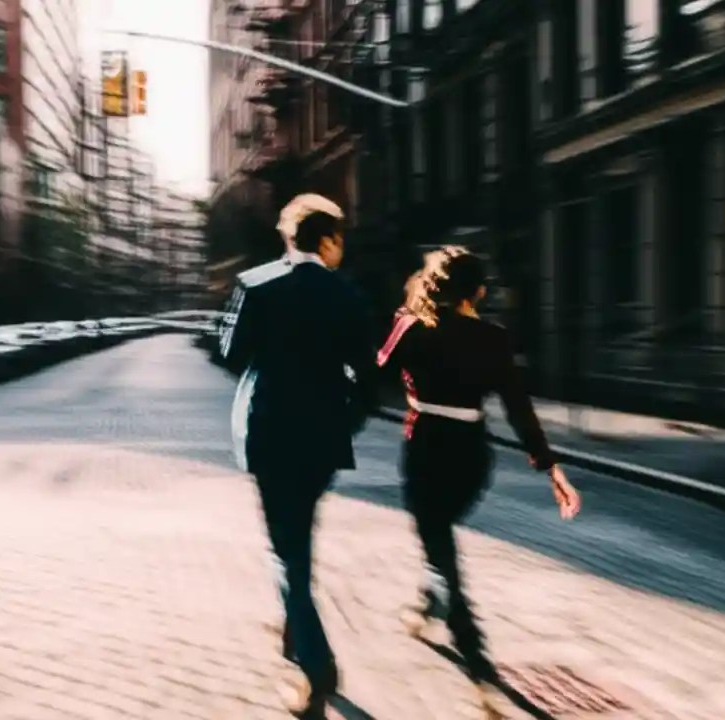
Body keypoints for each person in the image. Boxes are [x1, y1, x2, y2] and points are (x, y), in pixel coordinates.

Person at [376, 245, 581, 714]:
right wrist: (550, 467)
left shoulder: (410, 326)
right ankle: (431, 597)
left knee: (440, 548)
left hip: (425, 451)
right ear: (479, 292)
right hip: (472, 459)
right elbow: (518, 408)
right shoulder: (494, 338)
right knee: (440, 539)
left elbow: (372, 371)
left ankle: (479, 663)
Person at [219, 198, 377, 719]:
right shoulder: (348, 295)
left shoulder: (256, 285)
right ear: (327, 241)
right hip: (322, 442)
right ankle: (296, 628)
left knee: (287, 551)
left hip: (268, 436)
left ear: (289, 240)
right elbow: (371, 381)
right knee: (298, 540)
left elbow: (231, 356)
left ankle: (316, 662)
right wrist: (344, 420)